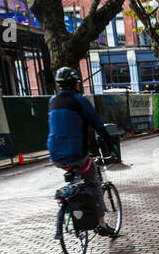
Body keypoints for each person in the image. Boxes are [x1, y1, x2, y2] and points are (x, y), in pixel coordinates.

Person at [46, 66, 118, 237]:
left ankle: (71, 204)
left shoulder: (52, 101)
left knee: (76, 181)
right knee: (94, 184)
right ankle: (101, 224)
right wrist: (110, 145)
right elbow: (98, 125)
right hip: (76, 154)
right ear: (75, 83)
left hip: (55, 154)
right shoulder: (80, 101)